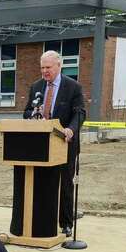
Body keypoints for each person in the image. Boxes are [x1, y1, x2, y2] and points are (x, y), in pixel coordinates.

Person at [20, 50, 86, 237]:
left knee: (65, 183)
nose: (44, 71)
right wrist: (33, 114)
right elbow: (25, 112)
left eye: (48, 67)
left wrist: (71, 130)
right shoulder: (36, 86)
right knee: (42, 183)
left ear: (58, 66)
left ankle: (66, 223)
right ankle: (41, 220)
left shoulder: (73, 87)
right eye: (42, 67)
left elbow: (79, 113)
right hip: (40, 144)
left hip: (65, 143)